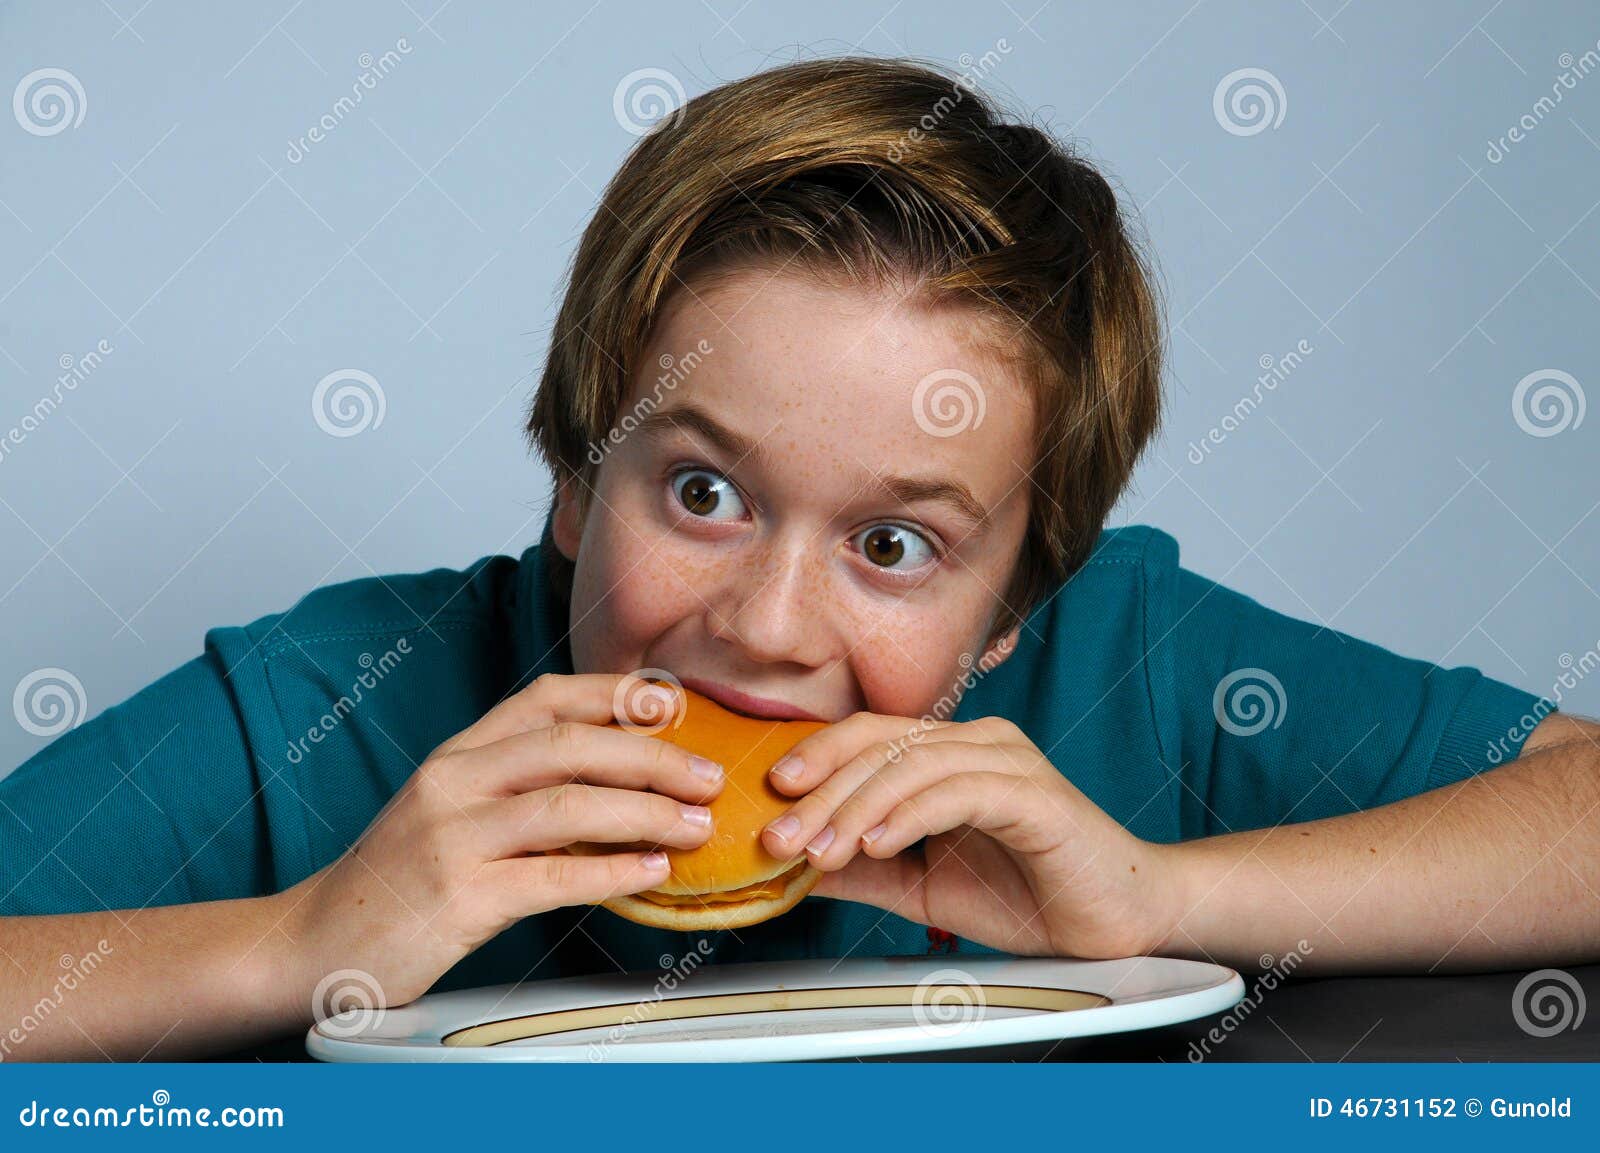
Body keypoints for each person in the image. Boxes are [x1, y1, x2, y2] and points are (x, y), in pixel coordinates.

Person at [2, 57, 1595, 1062]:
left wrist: (1161, 894)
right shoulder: (339, 700)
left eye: (895, 544)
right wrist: (297, 941)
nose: (765, 626)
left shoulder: (1138, 666)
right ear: (574, 471)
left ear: (1012, 611)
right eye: (701, 492)